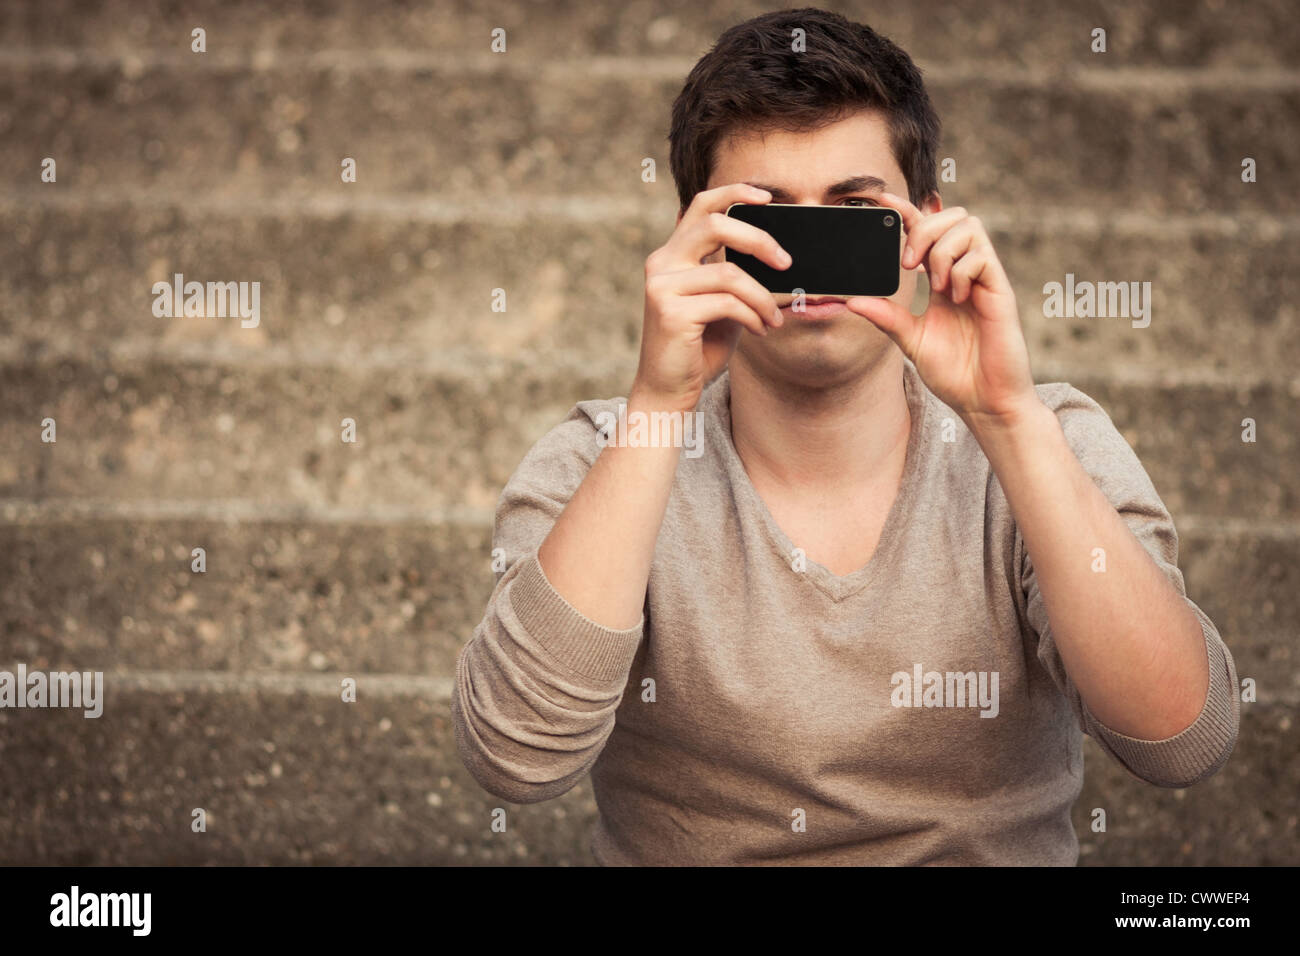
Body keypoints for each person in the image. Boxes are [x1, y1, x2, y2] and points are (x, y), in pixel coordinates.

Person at [451, 7, 1239, 865]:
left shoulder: (1050, 440)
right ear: (701, 239)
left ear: (923, 227)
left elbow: (1180, 740)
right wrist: (658, 404)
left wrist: (1007, 419)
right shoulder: (596, 457)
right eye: (770, 220)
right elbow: (516, 758)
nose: (809, 258)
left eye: (852, 212)